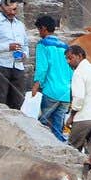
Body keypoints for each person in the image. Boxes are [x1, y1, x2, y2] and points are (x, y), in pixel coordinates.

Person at [30, 15, 71, 143]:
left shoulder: (43, 44)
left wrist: (36, 85)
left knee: (41, 123)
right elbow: (71, 70)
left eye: (39, 30)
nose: (39, 33)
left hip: (51, 90)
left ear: (43, 29)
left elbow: (42, 67)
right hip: (65, 92)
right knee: (58, 126)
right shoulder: (64, 46)